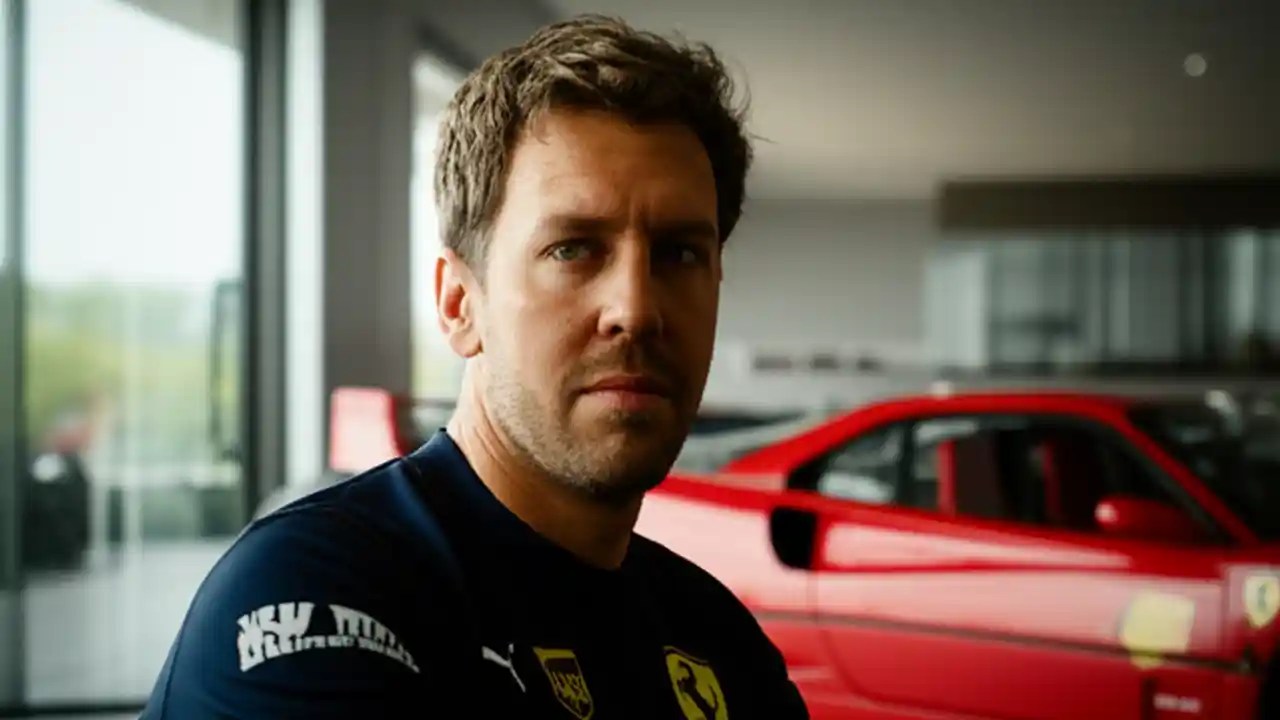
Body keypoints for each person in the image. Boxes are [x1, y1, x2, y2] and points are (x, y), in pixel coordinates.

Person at [143, 14, 808, 719]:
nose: (636, 309)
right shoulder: (316, 597)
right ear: (460, 303)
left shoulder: (719, 642)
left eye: (679, 253)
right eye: (574, 248)